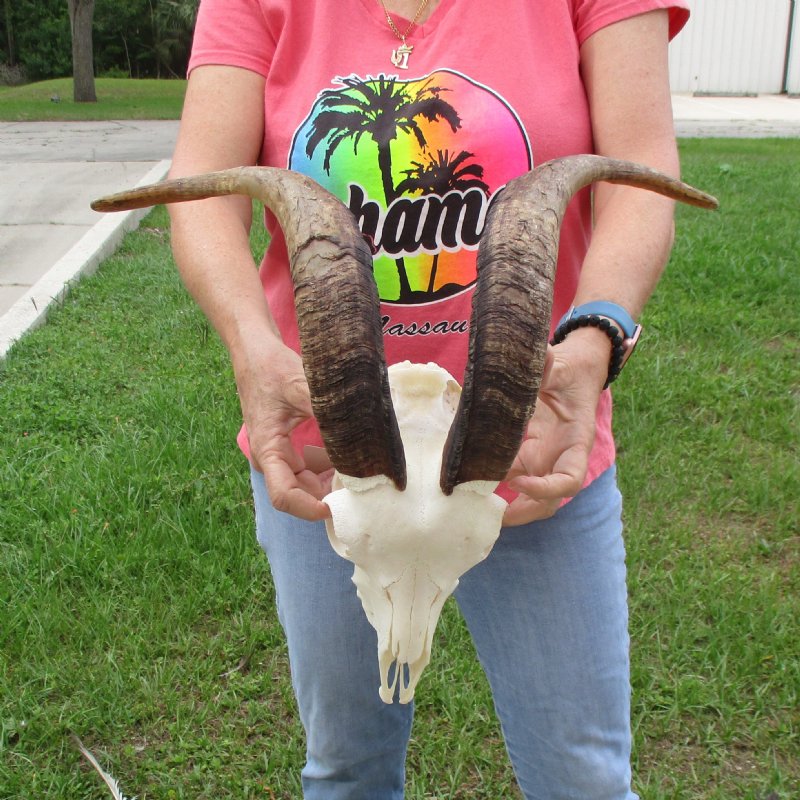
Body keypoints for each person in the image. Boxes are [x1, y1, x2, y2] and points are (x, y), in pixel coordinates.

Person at [167, 1, 690, 796]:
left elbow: (641, 168)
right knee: (346, 770)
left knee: (580, 779)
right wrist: (251, 351)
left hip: (528, 450)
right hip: (330, 461)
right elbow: (202, 188)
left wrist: (596, 333)